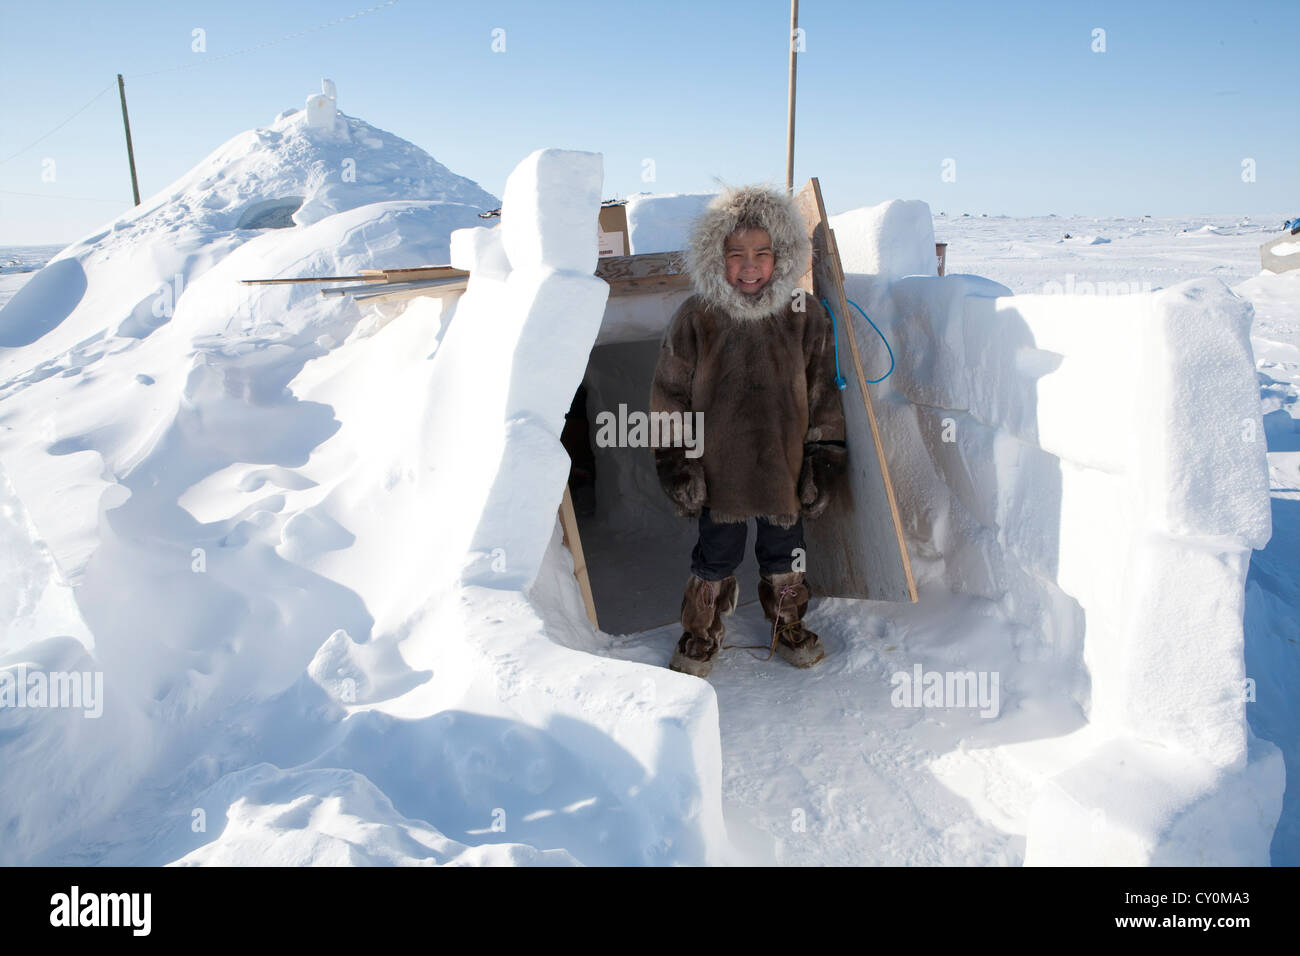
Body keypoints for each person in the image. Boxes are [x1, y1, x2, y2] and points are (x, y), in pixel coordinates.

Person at [650, 183, 846, 678]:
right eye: (736, 254)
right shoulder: (697, 316)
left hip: (785, 468)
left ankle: (788, 625)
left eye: (763, 253)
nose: (750, 265)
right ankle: (700, 633)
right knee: (715, 555)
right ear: (716, 256)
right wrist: (679, 463)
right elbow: (669, 394)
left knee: (785, 554)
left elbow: (823, 392)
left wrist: (823, 460)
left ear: (781, 257)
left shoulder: (805, 315)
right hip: (721, 474)